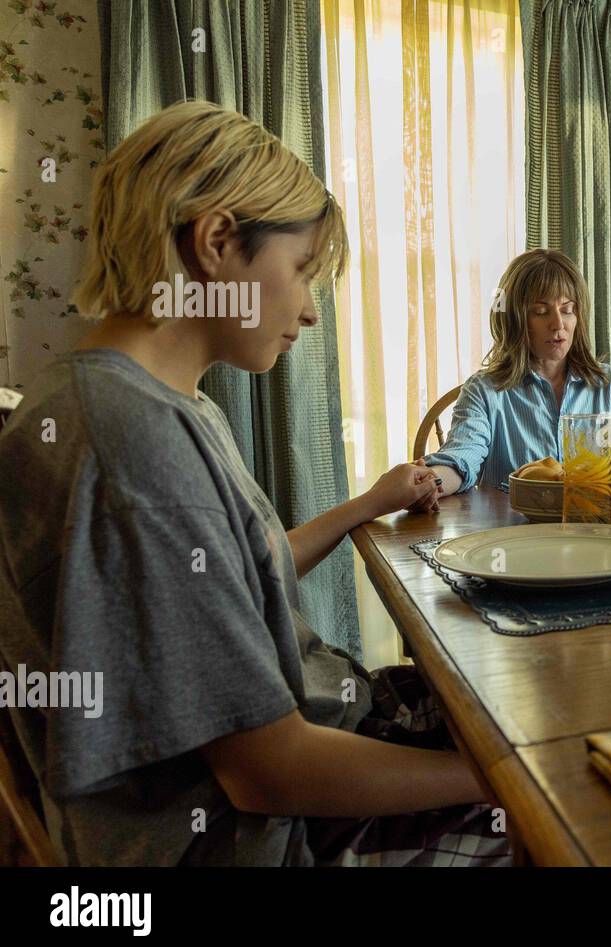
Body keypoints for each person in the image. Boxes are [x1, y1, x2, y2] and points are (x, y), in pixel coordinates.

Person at [0, 101, 510, 866]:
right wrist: (502, 780)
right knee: (584, 813)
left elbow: (238, 577)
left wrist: (369, 503)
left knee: (511, 697)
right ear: (216, 243)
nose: (309, 309)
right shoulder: (132, 444)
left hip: (318, 737)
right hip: (264, 837)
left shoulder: (145, 401)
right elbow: (267, 773)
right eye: (302, 270)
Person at [410, 249, 611, 512]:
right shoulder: (484, 391)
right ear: (514, 319)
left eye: (567, 310)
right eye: (541, 311)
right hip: (514, 541)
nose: (558, 324)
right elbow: (462, 456)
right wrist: (435, 480)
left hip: (598, 535)